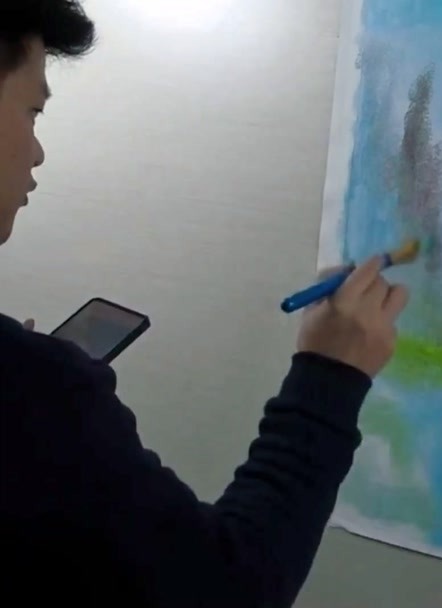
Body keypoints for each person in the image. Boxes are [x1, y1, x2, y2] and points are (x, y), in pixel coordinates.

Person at [0, 1, 409, 605]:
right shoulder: (36, 393)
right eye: (32, 111)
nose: (37, 152)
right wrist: (330, 376)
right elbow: (231, 588)